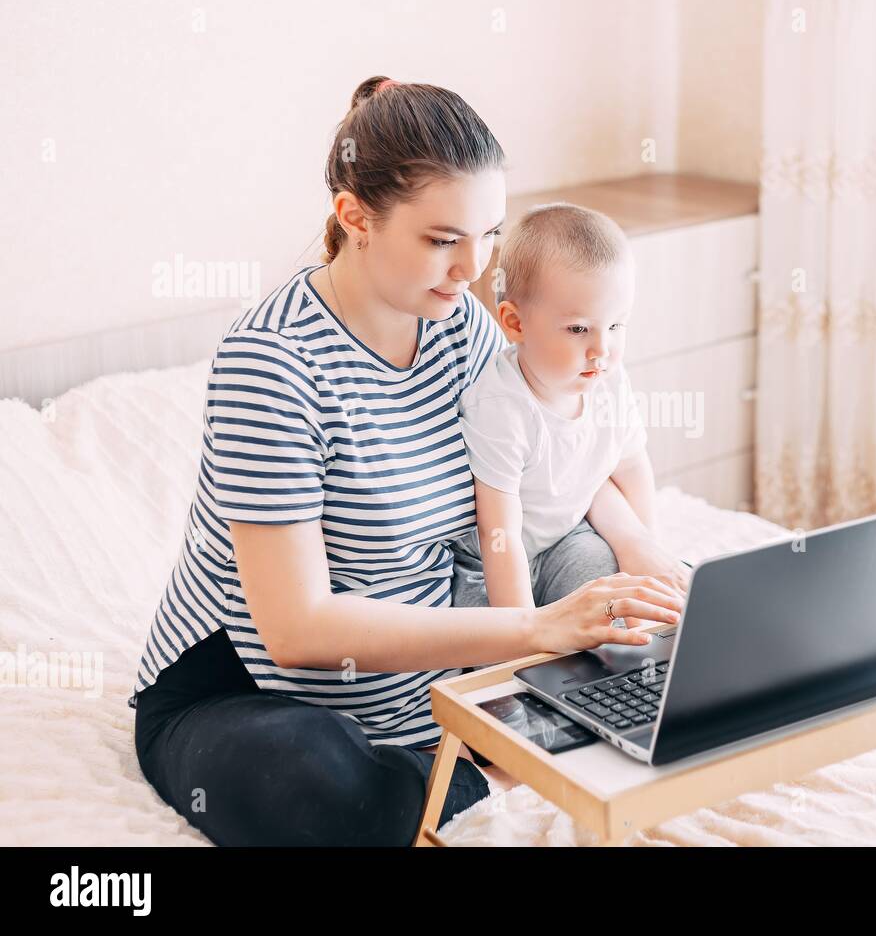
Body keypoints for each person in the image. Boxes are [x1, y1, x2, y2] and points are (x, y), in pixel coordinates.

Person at [130, 76, 684, 846]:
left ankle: (503, 738)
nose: (475, 268)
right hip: (252, 687)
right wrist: (531, 630)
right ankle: (491, 764)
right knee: (316, 786)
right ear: (354, 217)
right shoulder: (273, 365)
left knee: (627, 609)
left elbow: (557, 459)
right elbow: (297, 629)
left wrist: (642, 550)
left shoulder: (464, 328)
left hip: (431, 668)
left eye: (489, 234)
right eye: (442, 239)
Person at [449, 202, 689, 611]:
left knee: (619, 604)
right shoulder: (501, 406)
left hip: (565, 539)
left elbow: (631, 467)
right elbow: (498, 531)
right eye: (579, 329)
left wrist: (647, 555)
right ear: (515, 323)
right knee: (493, 647)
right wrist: (523, 632)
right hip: (491, 564)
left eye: (615, 326)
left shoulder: (610, 381)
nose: (602, 349)